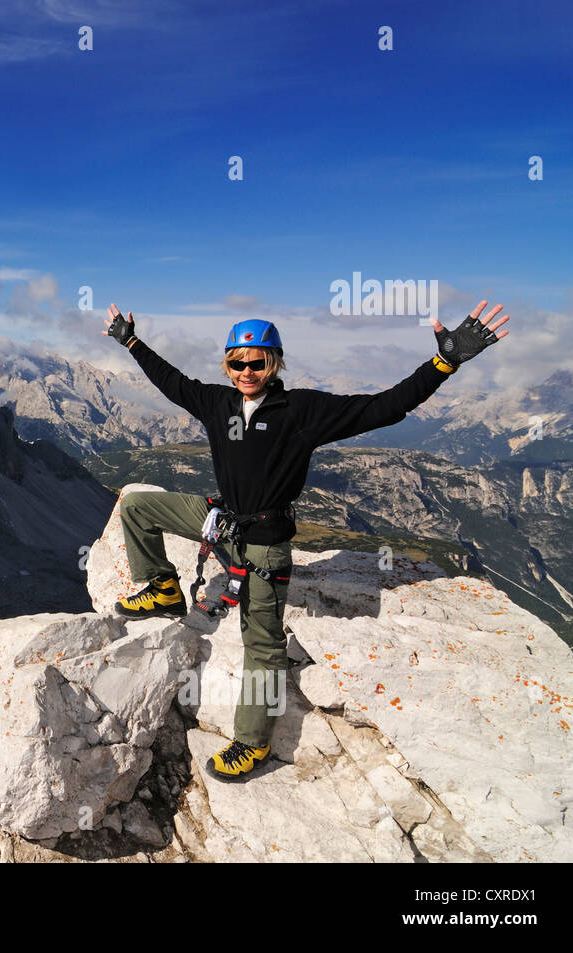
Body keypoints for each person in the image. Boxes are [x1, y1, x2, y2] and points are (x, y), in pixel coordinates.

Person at [102, 300, 511, 781]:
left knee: (263, 646)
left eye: (257, 362)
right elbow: (170, 382)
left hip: (263, 545)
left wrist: (444, 362)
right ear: (227, 364)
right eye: (237, 362)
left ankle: (252, 744)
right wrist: (130, 342)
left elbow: (385, 407)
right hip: (222, 522)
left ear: (274, 363)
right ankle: (162, 588)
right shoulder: (217, 402)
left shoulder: (302, 411)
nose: (247, 371)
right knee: (136, 505)